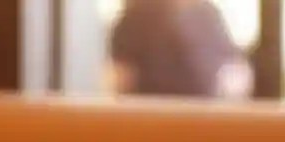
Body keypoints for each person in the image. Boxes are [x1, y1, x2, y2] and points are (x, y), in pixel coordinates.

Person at [108, 0, 252, 99]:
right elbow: (120, 79)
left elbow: (236, 71)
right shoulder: (135, 18)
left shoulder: (208, 15)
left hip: (205, 121)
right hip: (154, 124)